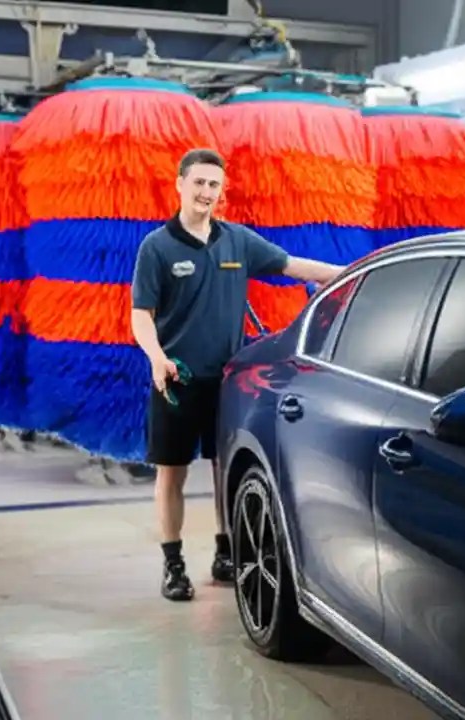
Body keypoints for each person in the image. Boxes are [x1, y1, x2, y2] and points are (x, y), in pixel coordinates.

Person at [130, 148, 344, 602]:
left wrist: (349, 276)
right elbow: (141, 315)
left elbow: (294, 266)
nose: (206, 192)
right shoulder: (157, 247)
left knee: (224, 467)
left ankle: (225, 553)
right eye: (199, 183)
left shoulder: (237, 241)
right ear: (180, 184)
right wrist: (156, 357)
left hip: (227, 382)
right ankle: (173, 565)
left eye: (214, 184)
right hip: (175, 381)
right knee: (171, 474)